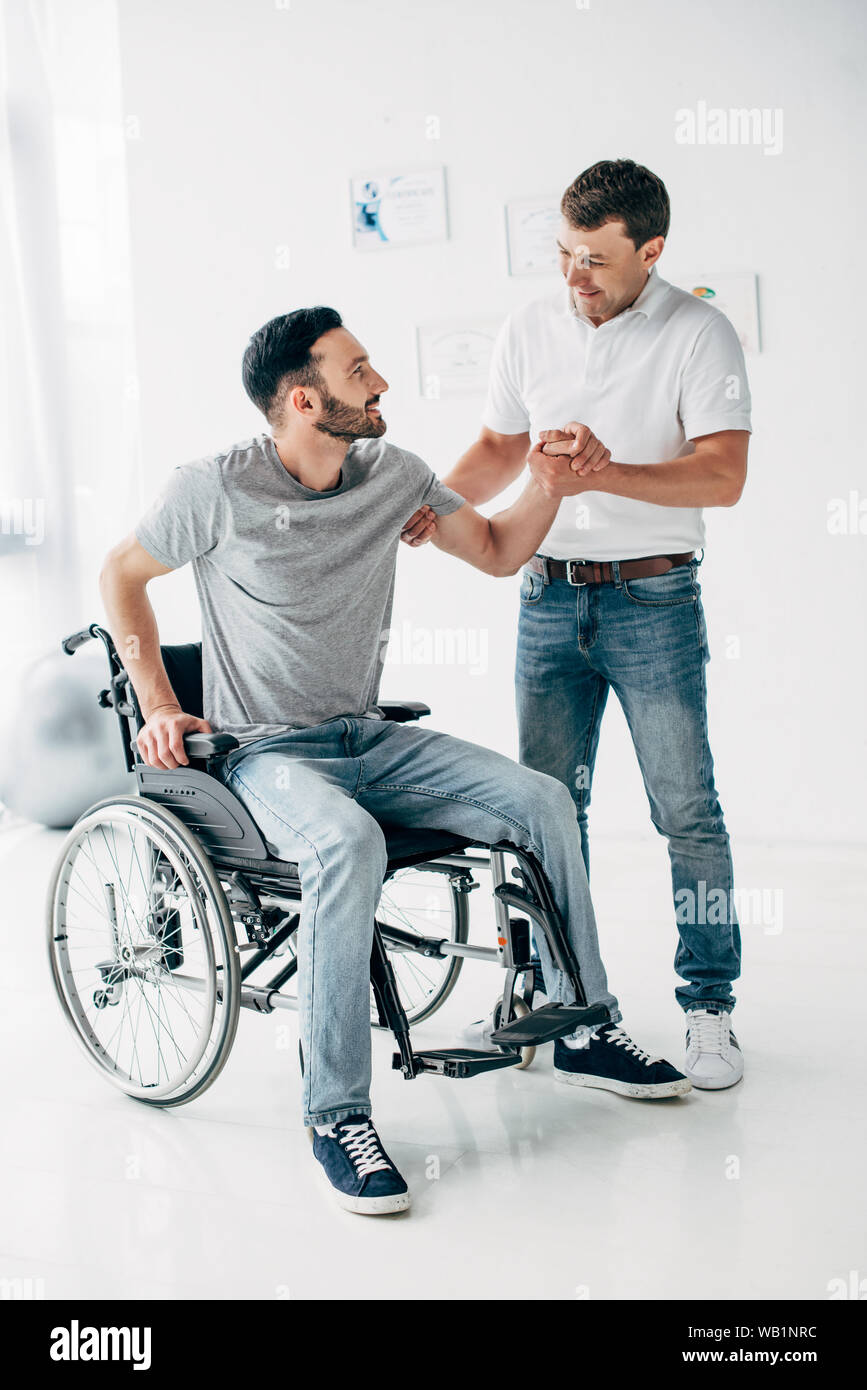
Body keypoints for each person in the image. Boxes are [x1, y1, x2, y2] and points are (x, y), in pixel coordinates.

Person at [99, 306, 689, 1219]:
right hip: (263, 753)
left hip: (368, 735)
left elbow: (494, 551)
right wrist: (162, 705)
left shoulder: (395, 475)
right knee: (344, 842)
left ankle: (583, 1024)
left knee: (538, 799)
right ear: (304, 400)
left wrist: (551, 483)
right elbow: (121, 575)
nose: (380, 384)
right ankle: (335, 1114)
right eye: (359, 370)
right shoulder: (212, 487)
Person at [401, 160, 751, 1091]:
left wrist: (609, 474)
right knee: (544, 810)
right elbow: (498, 449)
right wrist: (422, 501)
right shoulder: (530, 325)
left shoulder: (698, 332)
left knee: (686, 811)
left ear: (650, 250)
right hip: (546, 596)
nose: (572, 277)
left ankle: (707, 1007)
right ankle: (551, 995)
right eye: (562, 253)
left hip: (653, 600)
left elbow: (722, 475)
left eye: (594, 259)